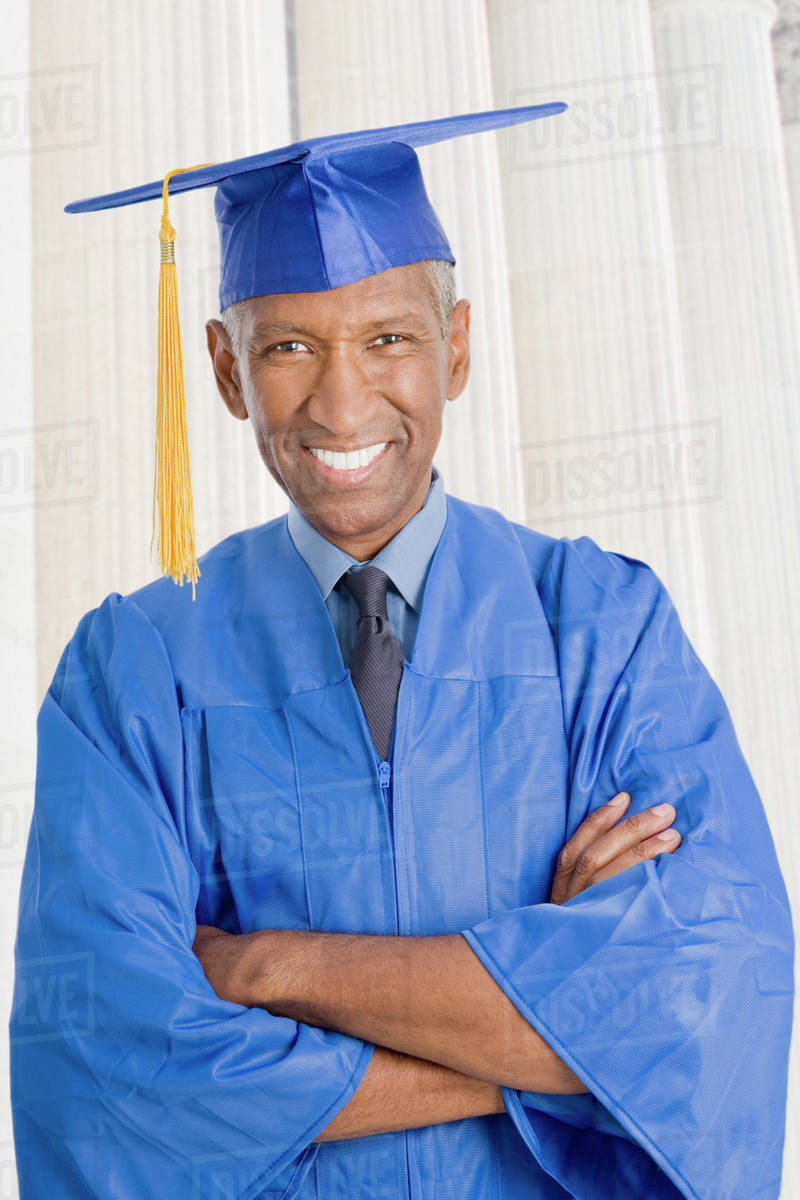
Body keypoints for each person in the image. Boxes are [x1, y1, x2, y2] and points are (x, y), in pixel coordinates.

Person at [10, 107, 794, 1200]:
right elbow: (112, 1071)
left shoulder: (600, 626)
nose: (341, 401)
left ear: (455, 348)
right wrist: (572, 1041)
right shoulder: (132, 671)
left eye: (388, 338)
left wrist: (262, 969)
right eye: (287, 346)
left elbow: (709, 998)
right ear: (227, 373)